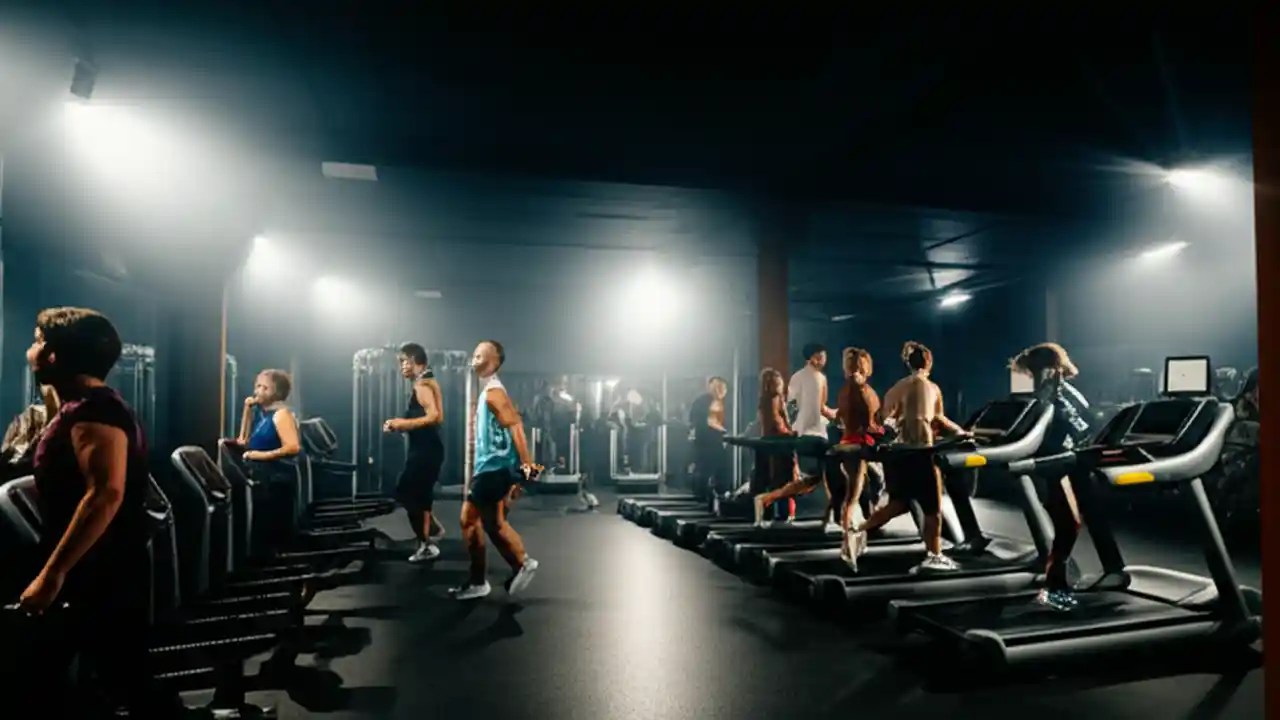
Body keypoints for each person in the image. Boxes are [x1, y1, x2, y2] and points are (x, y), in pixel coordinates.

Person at [18, 307, 188, 717]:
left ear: (54, 354)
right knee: (117, 680)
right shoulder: (86, 405)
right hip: (99, 570)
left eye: (37, 340)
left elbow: (105, 494)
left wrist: (52, 575)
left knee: (113, 680)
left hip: (97, 573)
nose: (30, 350)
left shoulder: (94, 411)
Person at [847, 341, 966, 573]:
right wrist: (962, 433)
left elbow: (882, 418)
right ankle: (934, 555)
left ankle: (858, 530)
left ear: (908, 363)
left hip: (899, 454)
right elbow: (939, 419)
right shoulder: (932, 388)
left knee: (899, 504)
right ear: (929, 362)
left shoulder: (898, 387)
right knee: (933, 510)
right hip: (922, 453)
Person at [450, 340, 540, 601]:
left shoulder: (494, 393)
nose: (474, 360)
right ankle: (513, 566)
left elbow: (516, 427)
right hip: (493, 468)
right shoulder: (487, 392)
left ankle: (510, 567)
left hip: (493, 469)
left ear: (494, 362)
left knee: (472, 520)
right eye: (474, 355)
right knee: (492, 523)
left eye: (480, 356)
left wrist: (527, 466)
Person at [1010, 342, 1094, 610]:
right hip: (1055, 464)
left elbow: (1082, 424)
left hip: (1065, 461)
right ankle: (1054, 586)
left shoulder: (1059, 394)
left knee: (1069, 524)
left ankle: (1054, 578)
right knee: (1069, 525)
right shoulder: (1051, 395)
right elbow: (1081, 426)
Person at [384, 343, 447, 563]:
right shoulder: (427, 381)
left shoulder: (422, 386)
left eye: (403, 361)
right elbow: (437, 416)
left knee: (408, 493)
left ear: (412, 360)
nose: (401, 366)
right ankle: (432, 533)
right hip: (427, 448)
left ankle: (426, 543)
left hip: (425, 450)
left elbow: (435, 416)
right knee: (419, 495)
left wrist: (403, 424)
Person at [234, 368, 303, 548]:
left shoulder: (281, 415)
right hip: (263, 481)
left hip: (276, 483)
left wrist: (261, 456)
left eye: (265, 388)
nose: (258, 391)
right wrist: (247, 410)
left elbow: (293, 447)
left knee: (271, 538)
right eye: (257, 386)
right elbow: (243, 441)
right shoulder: (262, 415)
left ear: (278, 393)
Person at [835, 347, 884, 566]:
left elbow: (840, 417)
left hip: (848, 441)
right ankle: (848, 545)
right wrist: (884, 429)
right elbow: (868, 424)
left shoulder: (845, 389)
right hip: (859, 445)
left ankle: (861, 531)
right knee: (852, 497)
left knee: (873, 482)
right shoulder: (862, 390)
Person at [788, 343, 840, 531]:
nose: (823, 360)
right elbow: (822, 408)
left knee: (814, 477)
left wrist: (794, 426)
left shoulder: (796, 377)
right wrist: (839, 414)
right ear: (813, 358)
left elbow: (791, 405)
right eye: (821, 356)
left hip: (799, 433)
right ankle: (833, 516)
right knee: (831, 475)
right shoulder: (820, 378)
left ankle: (827, 516)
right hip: (817, 434)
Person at [687, 377, 729, 502]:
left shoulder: (703, 401)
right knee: (707, 468)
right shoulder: (706, 402)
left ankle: (702, 495)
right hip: (708, 440)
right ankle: (705, 496)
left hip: (706, 440)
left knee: (706, 468)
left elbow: (692, 421)